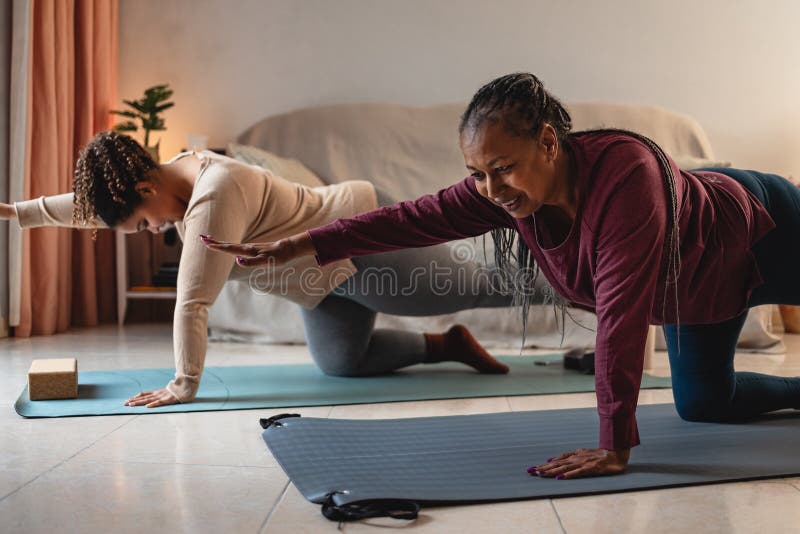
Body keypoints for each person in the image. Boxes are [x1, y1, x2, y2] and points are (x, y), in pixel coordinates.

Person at [203, 72, 800, 480]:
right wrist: (302, 244)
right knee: (703, 404)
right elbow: (411, 219)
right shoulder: (502, 192)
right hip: (700, 282)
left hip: (767, 228)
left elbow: (620, 315)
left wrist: (614, 444)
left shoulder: (626, 177)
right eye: (477, 173)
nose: (491, 189)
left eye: (502, 168)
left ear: (548, 142)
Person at [0, 131, 528, 408]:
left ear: (146, 189)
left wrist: (184, 383)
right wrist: (18, 214)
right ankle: (449, 346)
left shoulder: (214, 194)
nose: (150, 231)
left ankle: (581, 282)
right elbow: (95, 204)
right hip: (317, 282)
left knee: (483, 285)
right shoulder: (167, 179)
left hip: (359, 242)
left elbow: (194, 300)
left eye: (142, 224)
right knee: (345, 361)